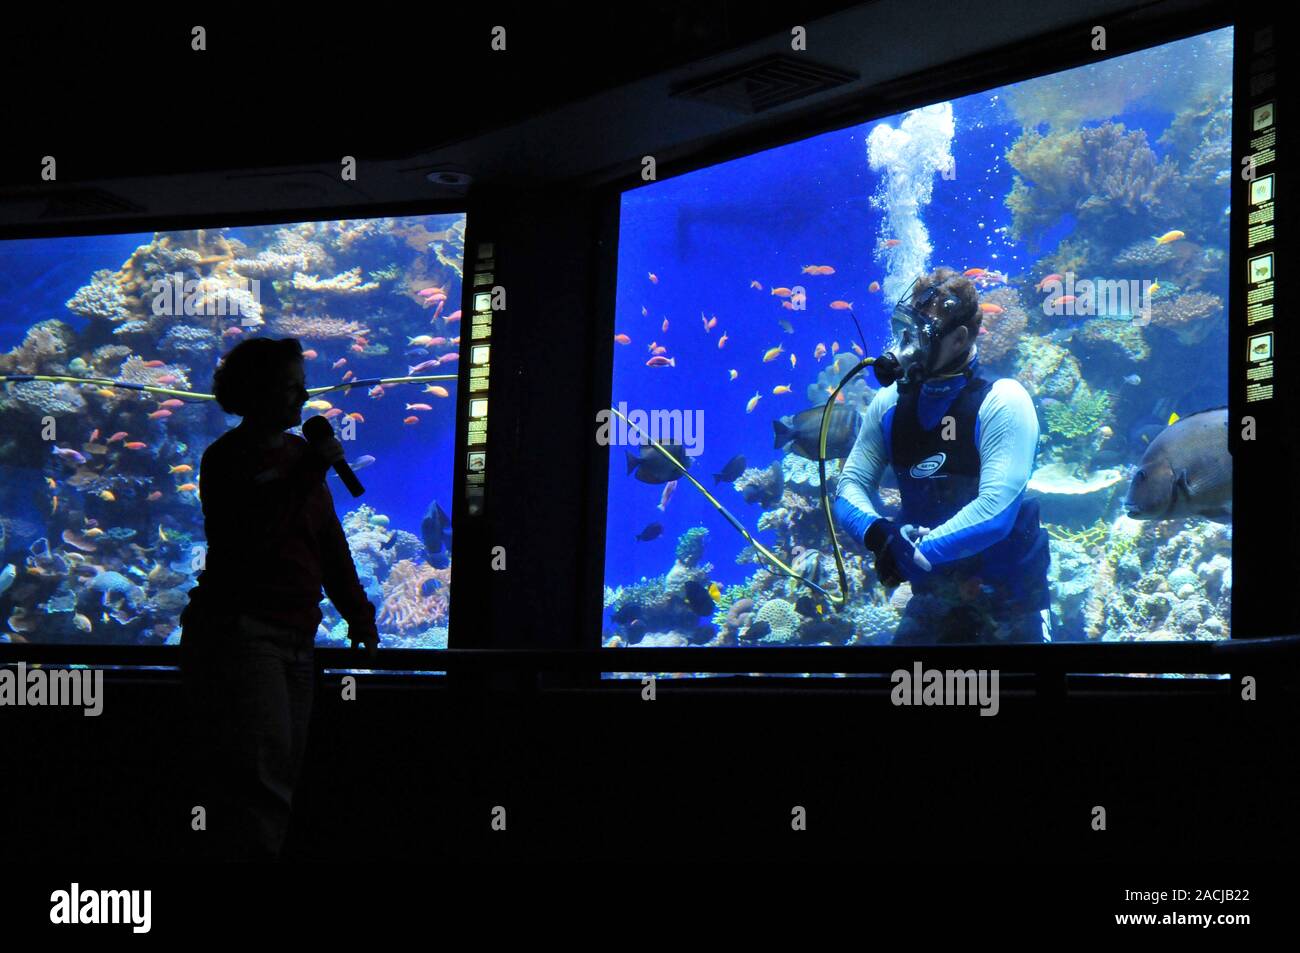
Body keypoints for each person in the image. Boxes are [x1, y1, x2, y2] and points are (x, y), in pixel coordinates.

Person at [179, 336, 379, 860]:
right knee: (256, 782)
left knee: (282, 771)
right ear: (257, 390)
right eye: (291, 386)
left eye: (302, 385)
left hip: (296, 636)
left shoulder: (298, 455)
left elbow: (328, 541)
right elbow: (251, 536)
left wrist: (358, 612)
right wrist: (310, 470)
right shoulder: (225, 458)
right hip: (241, 634)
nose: (303, 397)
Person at [833, 267, 1052, 644]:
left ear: (959, 338)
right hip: (935, 597)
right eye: (904, 329)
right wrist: (879, 535)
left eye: (920, 334)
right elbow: (849, 486)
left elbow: (996, 512)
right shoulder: (888, 404)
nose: (905, 345)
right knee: (904, 698)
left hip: (1011, 603)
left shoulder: (1003, 401)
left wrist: (911, 553)